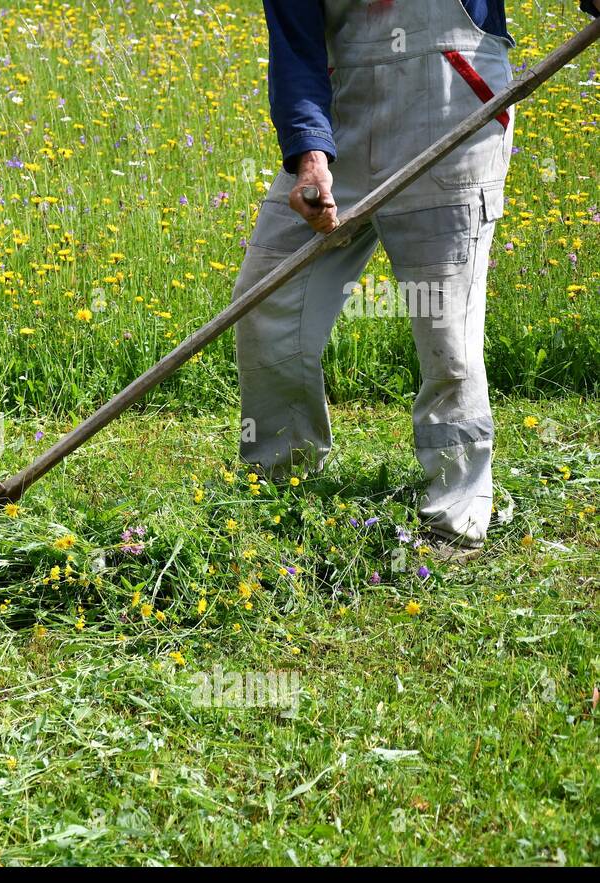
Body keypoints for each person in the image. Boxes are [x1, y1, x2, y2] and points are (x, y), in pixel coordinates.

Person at [233, 0, 598, 562]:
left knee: (445, 321)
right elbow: (295, 48)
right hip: (339, 118)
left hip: (454, 100)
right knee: (268, 298)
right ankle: (277, 482)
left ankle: (456, 511)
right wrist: (309, 154)